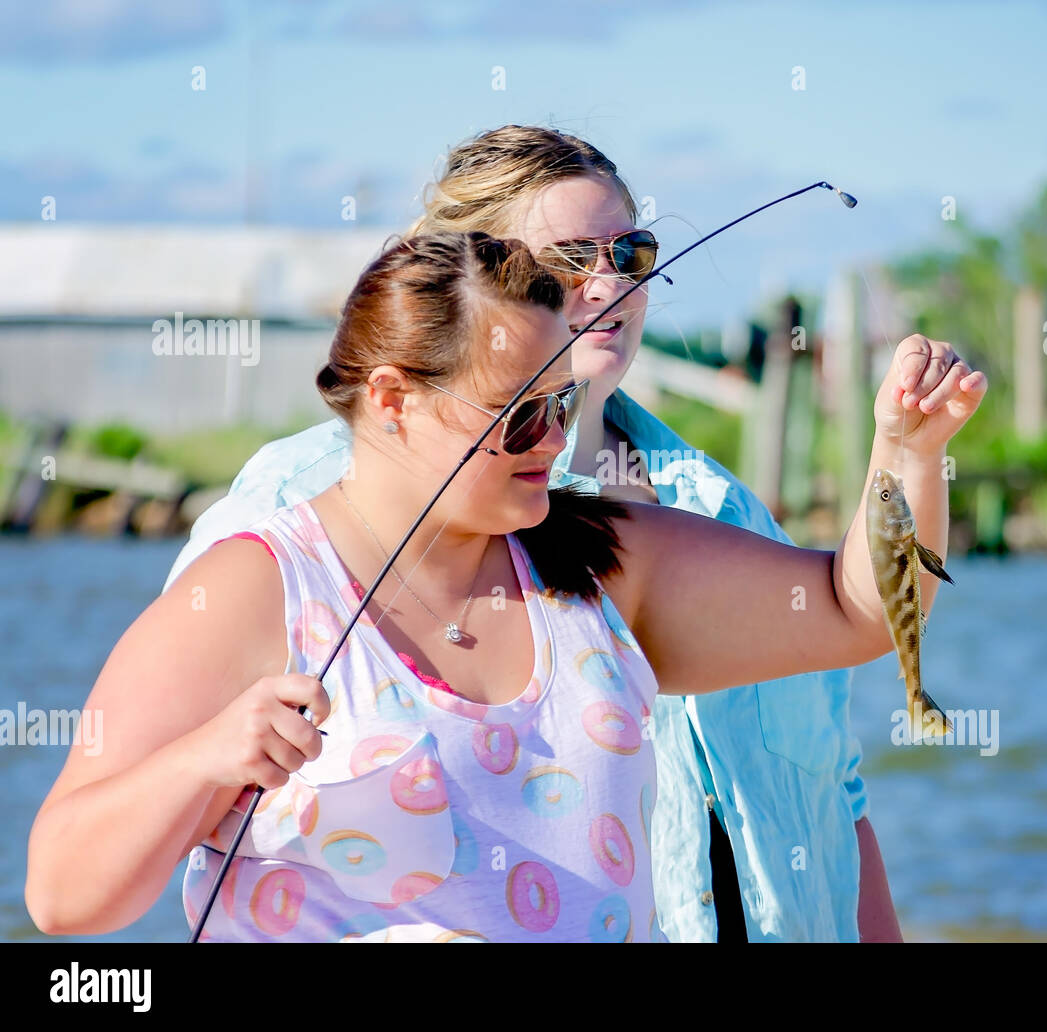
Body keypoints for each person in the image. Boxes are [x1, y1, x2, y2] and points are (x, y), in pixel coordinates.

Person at [143, 126, 980, 941]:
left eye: (629, 255)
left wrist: (907, 454)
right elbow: (164, 795)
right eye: (567, 261)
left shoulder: (720, 509)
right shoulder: (297, 501)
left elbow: (838, 791)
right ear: (466, 281)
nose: (607, 285)